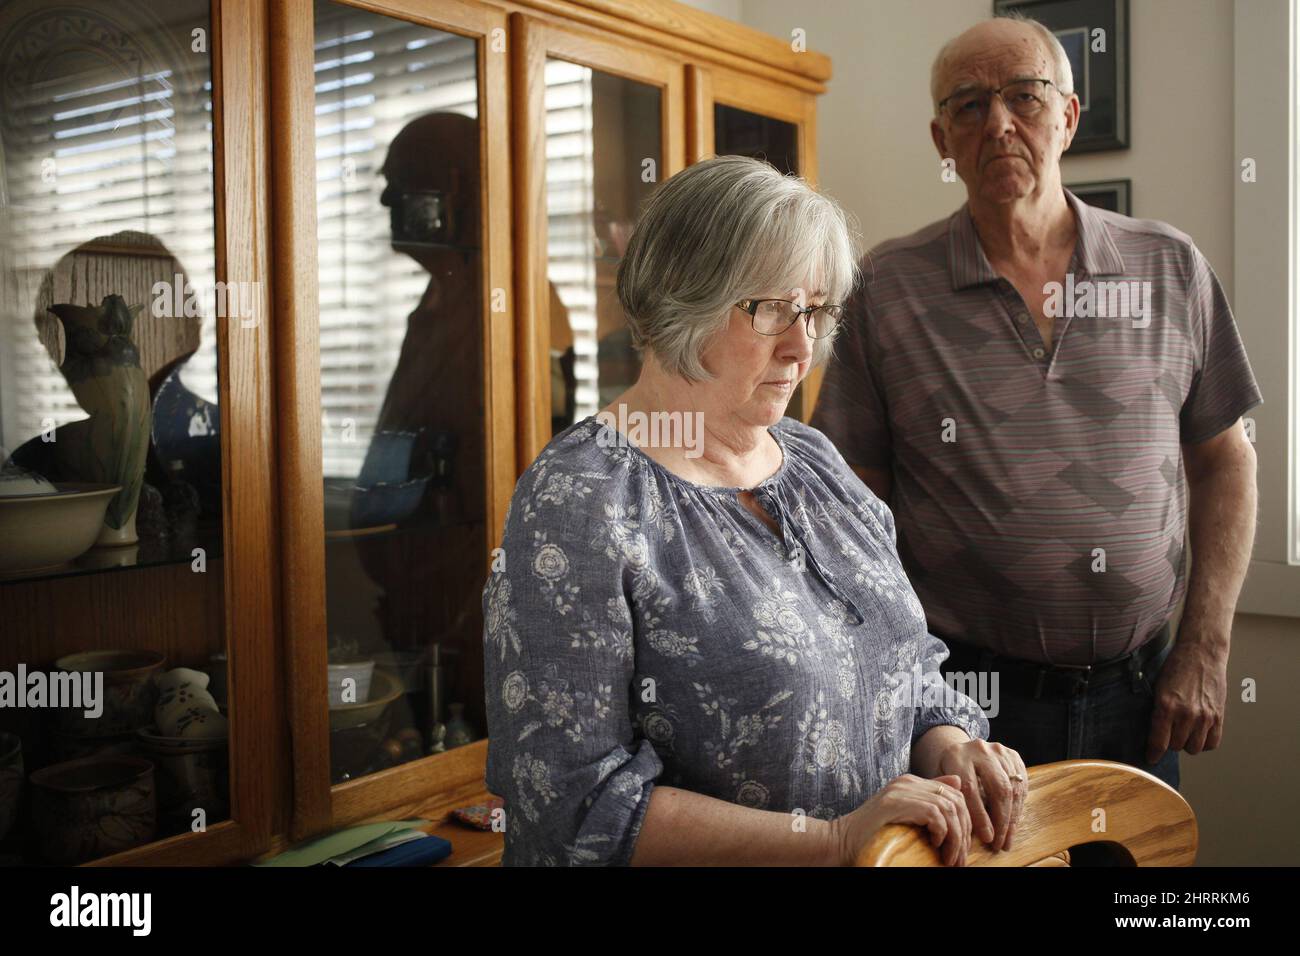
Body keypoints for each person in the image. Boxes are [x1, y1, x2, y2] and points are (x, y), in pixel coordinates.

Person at [482, 155, 1028, 867]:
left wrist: (951, 745)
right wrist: (832, 842)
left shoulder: (815, 463)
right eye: (770, 308)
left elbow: (904, 668)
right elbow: (570, 806)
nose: (803, 348)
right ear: (682, 300)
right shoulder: (581, 500)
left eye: (815, 311)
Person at [810, 15, 1261, 846]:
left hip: (1141, 692)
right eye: (971, 105)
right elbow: (851, 500)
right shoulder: (887, 290)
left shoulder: (1169, 268)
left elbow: (1226, 461)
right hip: (963, 704)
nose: (1000, 123)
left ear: (1070, 115)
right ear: (942, 136)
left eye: (1025, 96)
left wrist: (1204, 645)